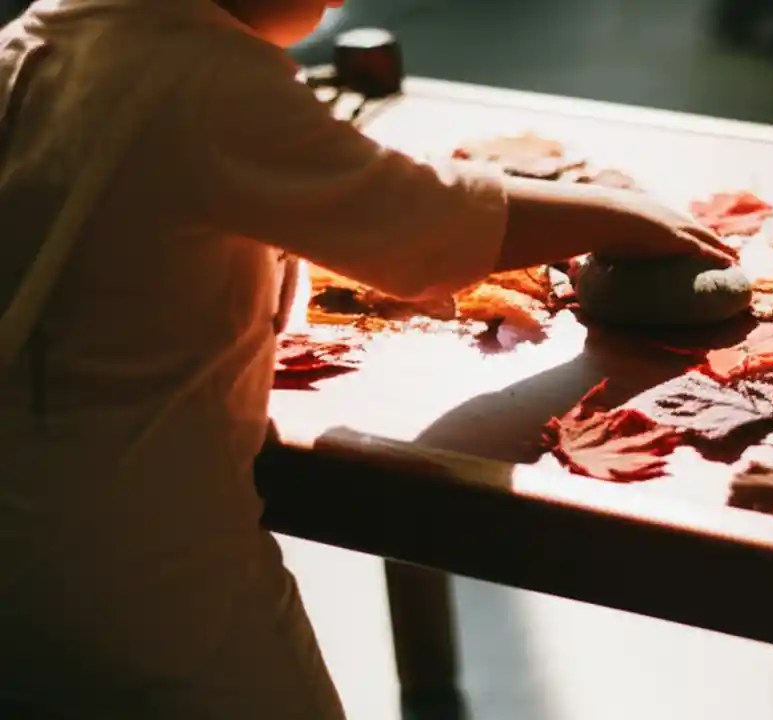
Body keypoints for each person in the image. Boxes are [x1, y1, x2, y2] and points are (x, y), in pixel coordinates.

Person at [0, 0, 735, 717]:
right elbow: (417, 225)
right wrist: (619, 215)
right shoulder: (201, 74)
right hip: (132, 560)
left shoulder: (37, 37)